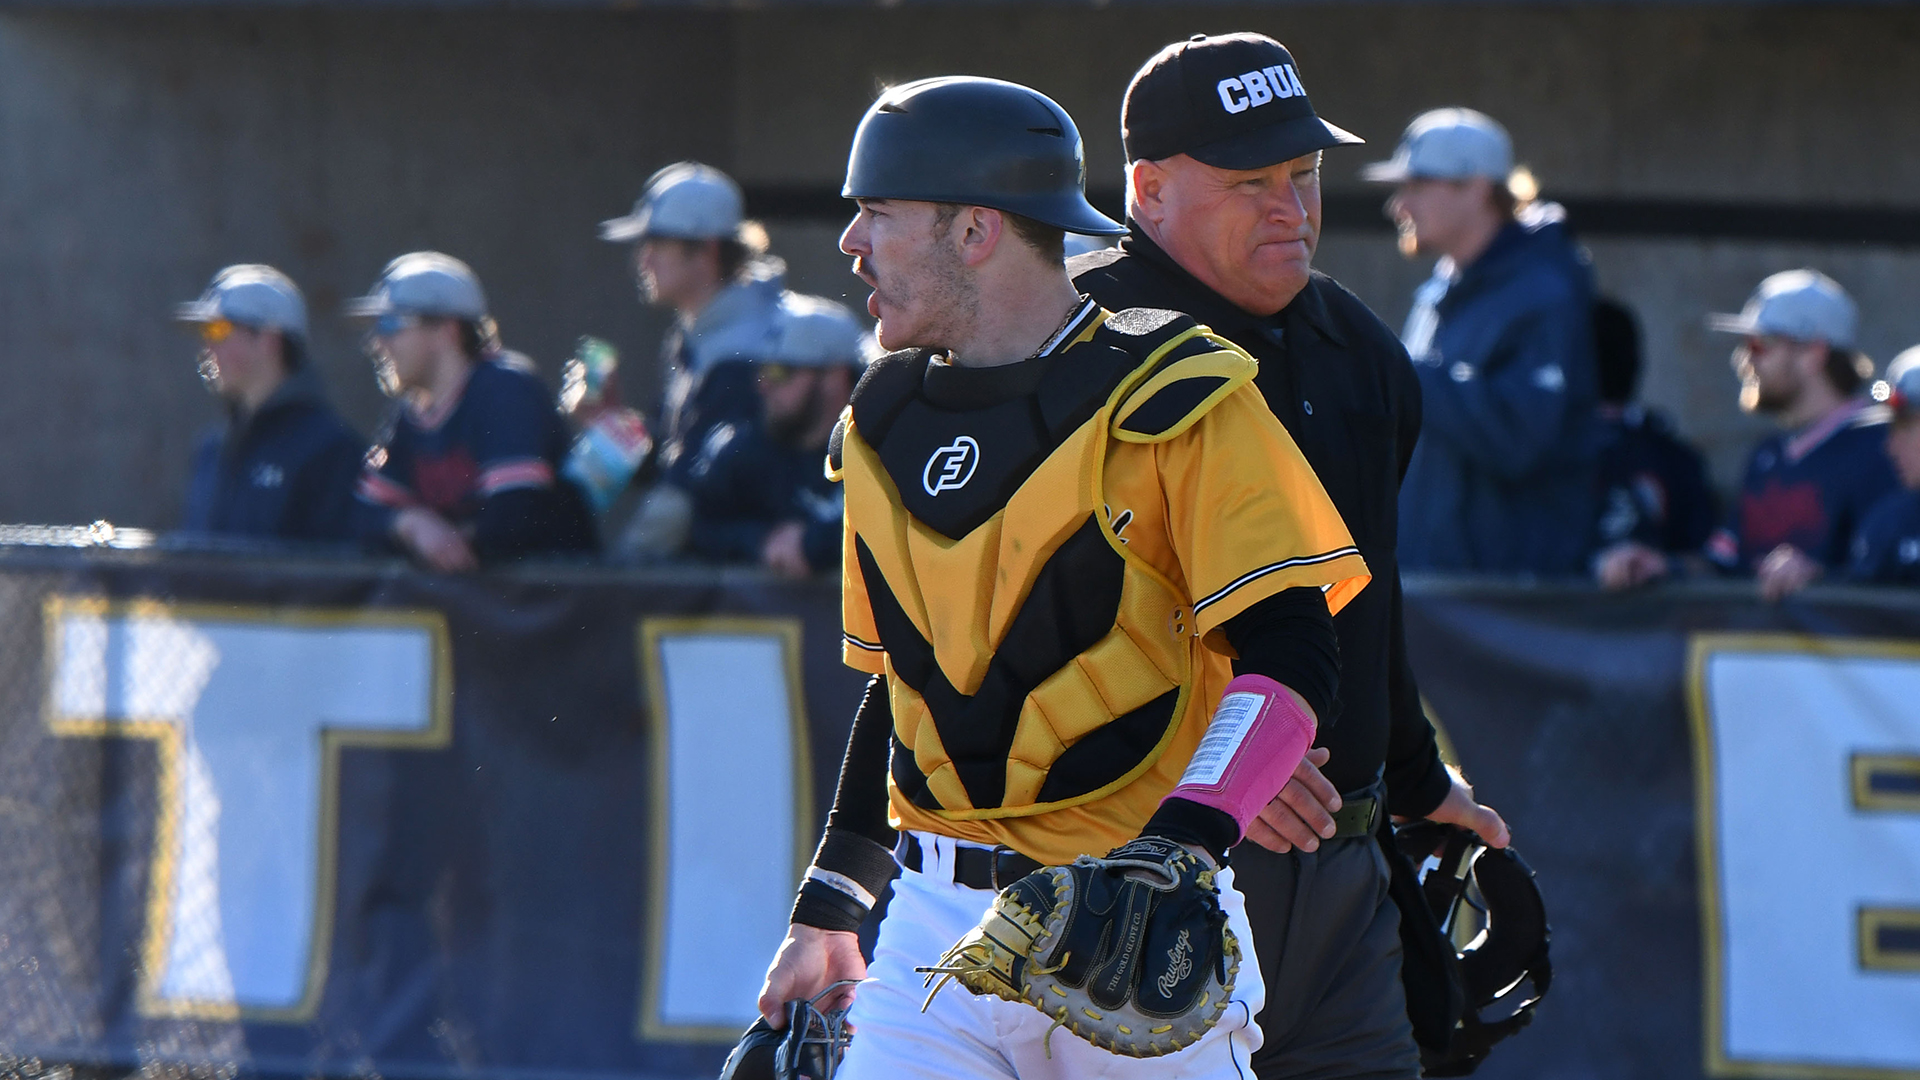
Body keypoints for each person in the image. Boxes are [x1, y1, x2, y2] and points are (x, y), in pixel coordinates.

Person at [755, 74, 1376, 1078]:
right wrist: (830, 907)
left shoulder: (1181, 388)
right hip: (930, 931)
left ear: (975, 230)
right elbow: (907, 689)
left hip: (1131, 925)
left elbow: (1297, 651)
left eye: (878, 210)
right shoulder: (879, 421)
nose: (851, 241)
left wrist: (1181, 850)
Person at [1070, 32, 1508, 1079]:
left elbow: (1365, 603)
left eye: (1302, 174)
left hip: (1340, 869)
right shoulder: (1071, 341)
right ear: (1149, 189)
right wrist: (1221, 765)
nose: (1290, 208)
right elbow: (1008, 630)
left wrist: (1415, 776)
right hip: (1145, 858)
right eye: (1249, 182)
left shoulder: (1361, 352)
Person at [1365, 108, 1600, 576]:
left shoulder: (1544, 291)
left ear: (1475, 188)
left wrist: (1405, 373)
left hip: (1506, 599)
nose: (1399, 206)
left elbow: (1520, 440)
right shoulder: (1439, 290)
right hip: (1434, 587)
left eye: (1416, 186)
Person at [350, 252, 597, 569]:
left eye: (390, 323)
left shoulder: (505, 390)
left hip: (555, 595)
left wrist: (441, 540)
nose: (377, 342)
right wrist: (410, 523)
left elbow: (513, 519)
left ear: (447, 330)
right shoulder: (410, 412)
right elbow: (361, 517)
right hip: (488, 599)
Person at [599, 162, 785, 555]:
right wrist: (610, 423)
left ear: (707, 250)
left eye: (657, 245)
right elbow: (667, 459)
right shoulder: (697, 334)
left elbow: (685, 500)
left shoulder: (745, 351)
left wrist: (615, 575)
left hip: (762, 576)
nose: (643, 261)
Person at [1700, 269, 1896, 600]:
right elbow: (1722, 564)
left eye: (1760, 344)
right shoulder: (1766, 455)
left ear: (1813, 354)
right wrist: (1657, 566)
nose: (1743, 360)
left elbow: (1891, 576)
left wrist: (1819, 578)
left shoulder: (1884, 448)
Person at [681, 294, 871, 577]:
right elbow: (701, 528)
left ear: (835, 378)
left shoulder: (882, 452)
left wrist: (814, 545)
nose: (764, 385)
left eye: (780, 372)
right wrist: (761, 540)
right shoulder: (744, 452)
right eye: (762, 371)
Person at [173, 265, 364, 544]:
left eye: (218, 330)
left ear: (268, 340)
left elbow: (337, 564)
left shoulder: (331, 450)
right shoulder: (210, 449)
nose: (207, 348)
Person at [1589, 297, 1718, 590]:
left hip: (1654, 615)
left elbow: (1711, 561)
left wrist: (1658, 566)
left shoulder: (1674, 458)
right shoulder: (1542, 456)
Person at [1849, 348, 1920, 584]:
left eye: (1905, 426)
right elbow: (1856, 598)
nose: (1891, 447)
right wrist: (1817, 578)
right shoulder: (1890, 520)